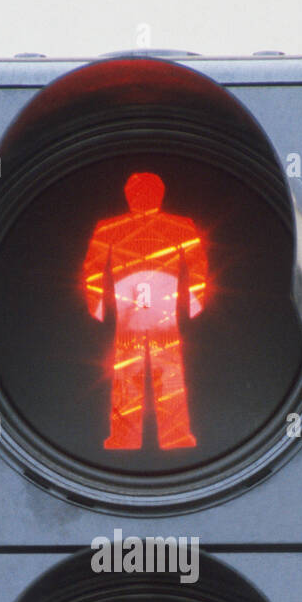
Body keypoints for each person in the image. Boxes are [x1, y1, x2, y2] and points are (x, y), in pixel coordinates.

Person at [82, 171, 207, 450]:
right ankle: (152, 437)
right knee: (141, 372)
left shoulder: (111, 228)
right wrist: (195, 300)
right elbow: (198, 263)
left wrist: (98, 305)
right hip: (148, 305)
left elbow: (92, 266)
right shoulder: (178, 225)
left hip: (143, 306)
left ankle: (144, 438)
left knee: (148, 372)